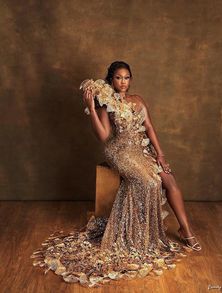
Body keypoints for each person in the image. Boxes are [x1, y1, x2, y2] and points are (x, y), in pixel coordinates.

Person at [31, 61, 201, 288]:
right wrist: (91, 108)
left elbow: (149, 128)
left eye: (127, 77)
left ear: (131, 79)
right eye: (118, 77)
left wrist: (160, 155)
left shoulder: (138, 100)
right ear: (111, 79)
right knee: (149, 181)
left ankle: (186, 230)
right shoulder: (105, 104)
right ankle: (141, 234)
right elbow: (103, 136)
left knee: (169, 180)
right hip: (120, 151)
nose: (123, 82)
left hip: (142, 148)